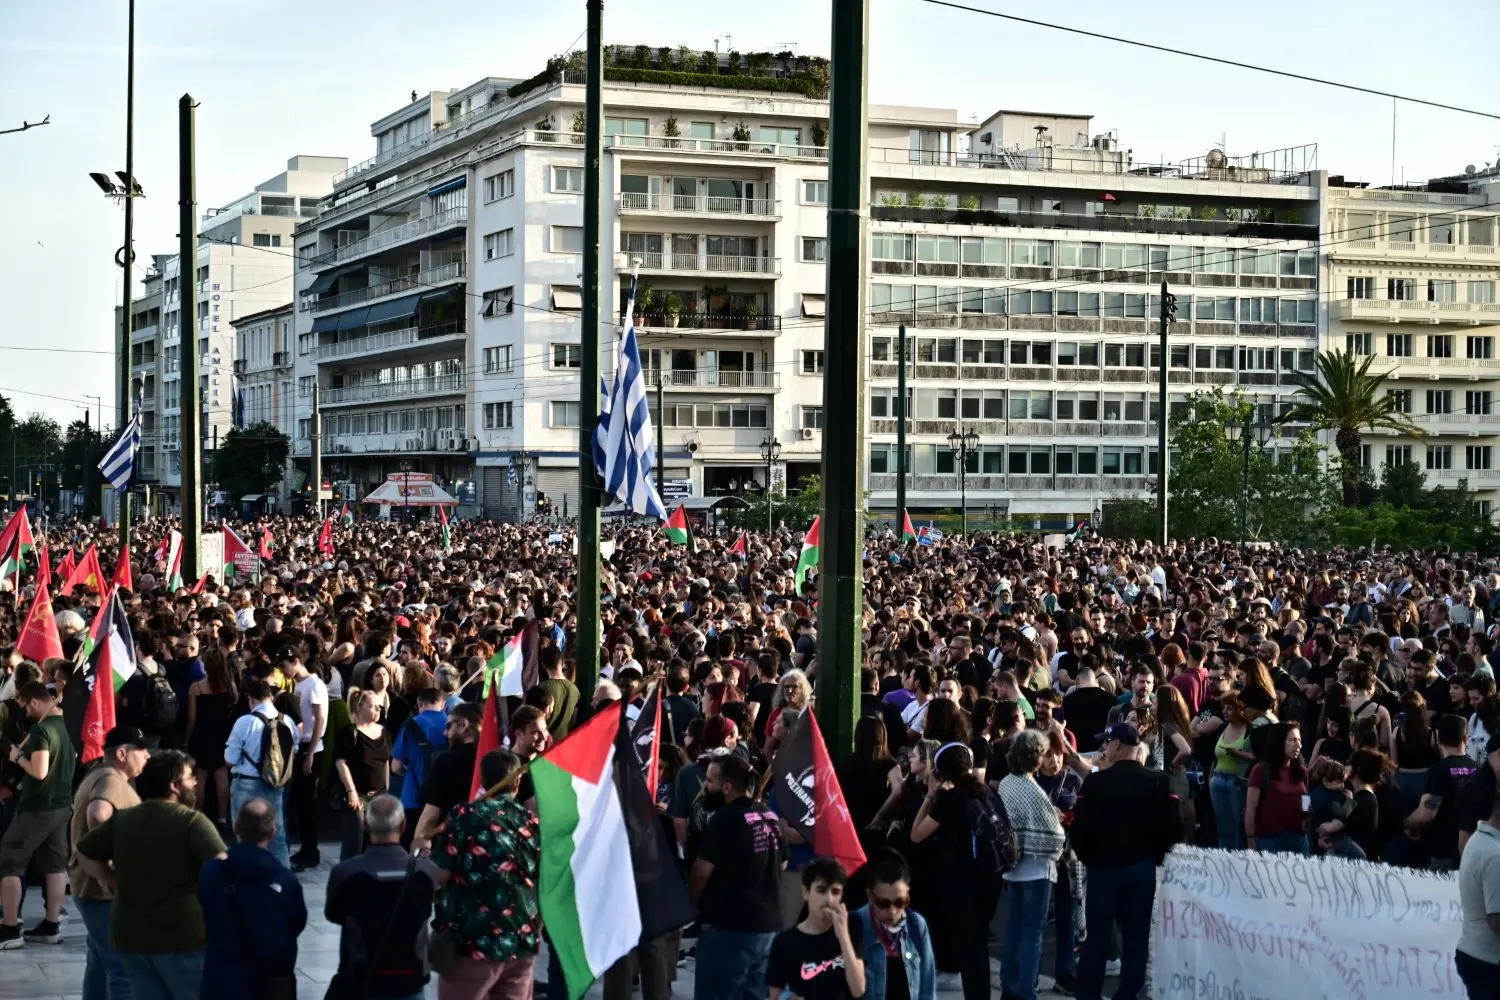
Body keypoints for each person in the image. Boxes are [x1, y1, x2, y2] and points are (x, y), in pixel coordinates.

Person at [74, 750, 229, 1000]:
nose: (196, 782)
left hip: (133, 937)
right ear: (174, 785)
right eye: (191, 777)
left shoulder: (123, 820)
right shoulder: (191, 822)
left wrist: (114, 881)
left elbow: (83, 852)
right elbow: (223, 867)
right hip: (181, 936)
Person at [1070, 723, 1182, 1000]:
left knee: (1097, 938)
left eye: (1107, 743)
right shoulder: (1158, 781)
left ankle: (1089, 995)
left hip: (1104, 870)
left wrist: (1092, 858)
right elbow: (1174, 830)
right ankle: (1127, 993)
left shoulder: (1096, 783)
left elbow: (1079, 829)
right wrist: (1154, 856)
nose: (1104, 749)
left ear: (1117, 745)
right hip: (1140, 869)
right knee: (1136, 937)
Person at [431, 749, 540, 1000]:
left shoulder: (465, 816)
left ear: (481, 780)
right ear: (517, 782)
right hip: (520, 939)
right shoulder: (531, 822)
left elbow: (442, 874)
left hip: (473, 941)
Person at [688, 754, 786, 1000]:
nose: (705, 787)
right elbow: (782, 863)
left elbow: (701, 872)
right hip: (768, 929)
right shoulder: (769, 816)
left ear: (727, 786)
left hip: (729, 929)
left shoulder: (724, 820)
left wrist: (689, 905)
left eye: (709, 782)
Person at [908, 743, 1002, 1000]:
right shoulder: (985, 793)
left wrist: (929, 796)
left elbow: (916, 834)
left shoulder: (950, 799)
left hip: (962, 882)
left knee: (967, 947)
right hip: (991, 877)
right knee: (979, 944)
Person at [325, 794, 439, 1000]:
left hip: (363, 976)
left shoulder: (345, 872)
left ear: (365, 825)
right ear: (404, 825)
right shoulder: (426, 872)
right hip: (409, 979)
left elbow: (334, 914)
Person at [197, 798, 307, 1000]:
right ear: (273, 833)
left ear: (236, 827)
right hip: (269, 982)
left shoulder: (211, 873)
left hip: (221, 979)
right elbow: (296, 923)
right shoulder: (284, 881)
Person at [69, 726, 149, 1000]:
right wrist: (112, 868)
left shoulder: (101, 775)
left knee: (99, 965)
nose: (148, 755)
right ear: (123, 753)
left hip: (91, 888)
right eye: (142, 750)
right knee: (122, 968)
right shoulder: (110, 781)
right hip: (101, 892)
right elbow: (98, 815)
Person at [0, 681, 77, 948]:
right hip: (62, 805)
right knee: (55, 864)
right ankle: (51, 924)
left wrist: (17, 758)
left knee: (9, 861)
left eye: (24, 706)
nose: (25, 712)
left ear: (34, 702)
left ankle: (10, 928)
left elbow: (40, 770)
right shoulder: (67, 724)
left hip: (37, 807)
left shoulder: (41, 729)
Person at [995, 729, 1065, 1000]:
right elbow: (1055, 836)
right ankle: (1026, 990)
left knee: (1013, 928)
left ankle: (1007, 985)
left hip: (1013, 868)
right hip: (1037, 868)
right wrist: (1058, 821)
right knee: (1033, 932)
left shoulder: (1006, 783)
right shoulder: (1032, 789)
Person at [766, 857, 866, 1000]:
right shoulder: (785, 942)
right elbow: (773, 995)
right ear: (806, 893)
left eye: (835, 892)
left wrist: (843, 937)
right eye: (821, 890)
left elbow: (858, 989)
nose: (829, 899)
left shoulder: (851, 930)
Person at [222, 678, 296, 866]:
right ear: (270, 697)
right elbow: (293, 750)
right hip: (276, 784)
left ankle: (248, 875)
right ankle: (283, 877)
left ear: (251, 699)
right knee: (277, 835)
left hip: (246, 784)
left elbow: (229, 759)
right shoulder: (287, 720)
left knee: (245, 836)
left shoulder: (244, 722)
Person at [849, 851, 936, 1000]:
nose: (892, 911)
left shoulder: (917, 925)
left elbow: (926, 990)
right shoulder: (854, 925)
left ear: (908, 894)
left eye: (900, 902)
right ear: (870, 896)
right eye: (883, 903)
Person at [1405, 713, 1478, 871]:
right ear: (1465, 739)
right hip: (1472, 849)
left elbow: (1427, 813)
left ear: (1438, 740)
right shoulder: (1477, 768)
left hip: (1443, 850)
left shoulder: (1439, 770)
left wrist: (1406, 822)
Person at [283, 642, 328, 872]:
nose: (283, 671)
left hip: (312, 748)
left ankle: (311, 852)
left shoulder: (314, 684)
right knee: (300, 804)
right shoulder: (295, 684)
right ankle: (305, 848)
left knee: (308, 804)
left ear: (295, 661)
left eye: (285, 666)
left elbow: (320, 719)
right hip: (299, 746)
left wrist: (310, 752)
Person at [413, 702, 482, 852]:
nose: (445, 733)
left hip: (453, 849)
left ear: (463, 725)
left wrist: (416, 851)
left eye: (448, 726)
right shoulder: (497, 759)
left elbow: (430, 815)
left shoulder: (447, 762)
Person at [333, 688, 393, 861]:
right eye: (372, 706)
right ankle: (348, 877)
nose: (377, 710)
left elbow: (386, 761)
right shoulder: (350, 732)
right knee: (355, 840)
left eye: (379, 707)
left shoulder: (384, 732)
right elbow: (340, 762)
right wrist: (351, 791)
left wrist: (386, 790)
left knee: (375, 841)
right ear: (359, 708)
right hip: (358, 796)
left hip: (379, 795)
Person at [1455, 788, 1500, 998]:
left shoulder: (1479, 840)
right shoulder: (1495, 855)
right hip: (1489, 963)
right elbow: (1496, 920)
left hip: (1475, 954)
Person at [391, 686, 448, 847]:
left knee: (412, 847)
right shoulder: (453, 724)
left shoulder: (410, 726)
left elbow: (395, 766)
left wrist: (409, 772)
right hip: (446, 800)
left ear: (419, 704)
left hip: (414, 796)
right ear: (442, 704)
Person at [1245, 722, 1310, 856]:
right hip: (1270, 840)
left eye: (1299, 740)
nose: (1298, 745)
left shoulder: (1301, 772)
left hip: (1298, 839)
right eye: (1292, 740)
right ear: (1279, 742)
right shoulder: (1261, 770)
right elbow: (1250, 809)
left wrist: (1306, 811)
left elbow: (1305, 798)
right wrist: (1251, 840)